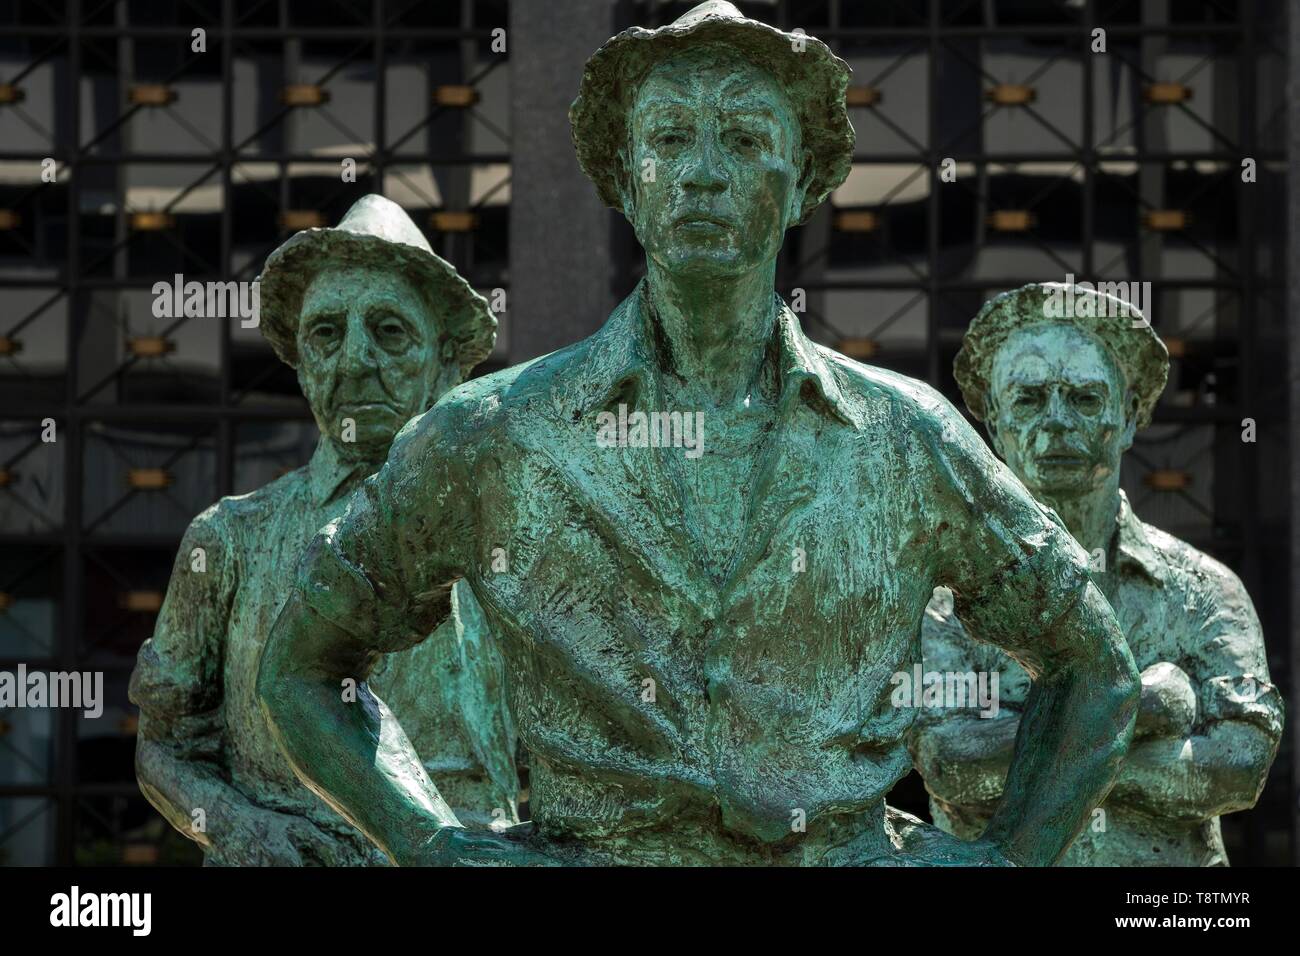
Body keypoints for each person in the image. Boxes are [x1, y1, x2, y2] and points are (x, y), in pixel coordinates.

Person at [258, 2, 1137, 867]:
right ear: (625, 179)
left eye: (745, 140)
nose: (703, 173)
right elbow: (300, 670)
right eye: (670, 138)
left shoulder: (906, 437)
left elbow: (1094, 669)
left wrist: (1008, 859)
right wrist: (428, 844)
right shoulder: (491, 437)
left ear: (804, 183)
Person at [129, 195, 517, 865]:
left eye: (389, 331)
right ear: (300, 359)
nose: (354, 360)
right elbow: (164, 747)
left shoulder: (512, 539)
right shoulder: (228, 541)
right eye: (326, 334)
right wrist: (241, 828)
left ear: (447, 358)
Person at [909, 282, 1283, 866]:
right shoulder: (945, 602)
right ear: (995, 424)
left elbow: (1239, 768)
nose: (1057, 421)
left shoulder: (1205, 590)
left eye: (1084, 399)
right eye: (1029, 399)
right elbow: (951, 765)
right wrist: (1145, 705)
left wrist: (1044, 746)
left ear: (1129, 417)